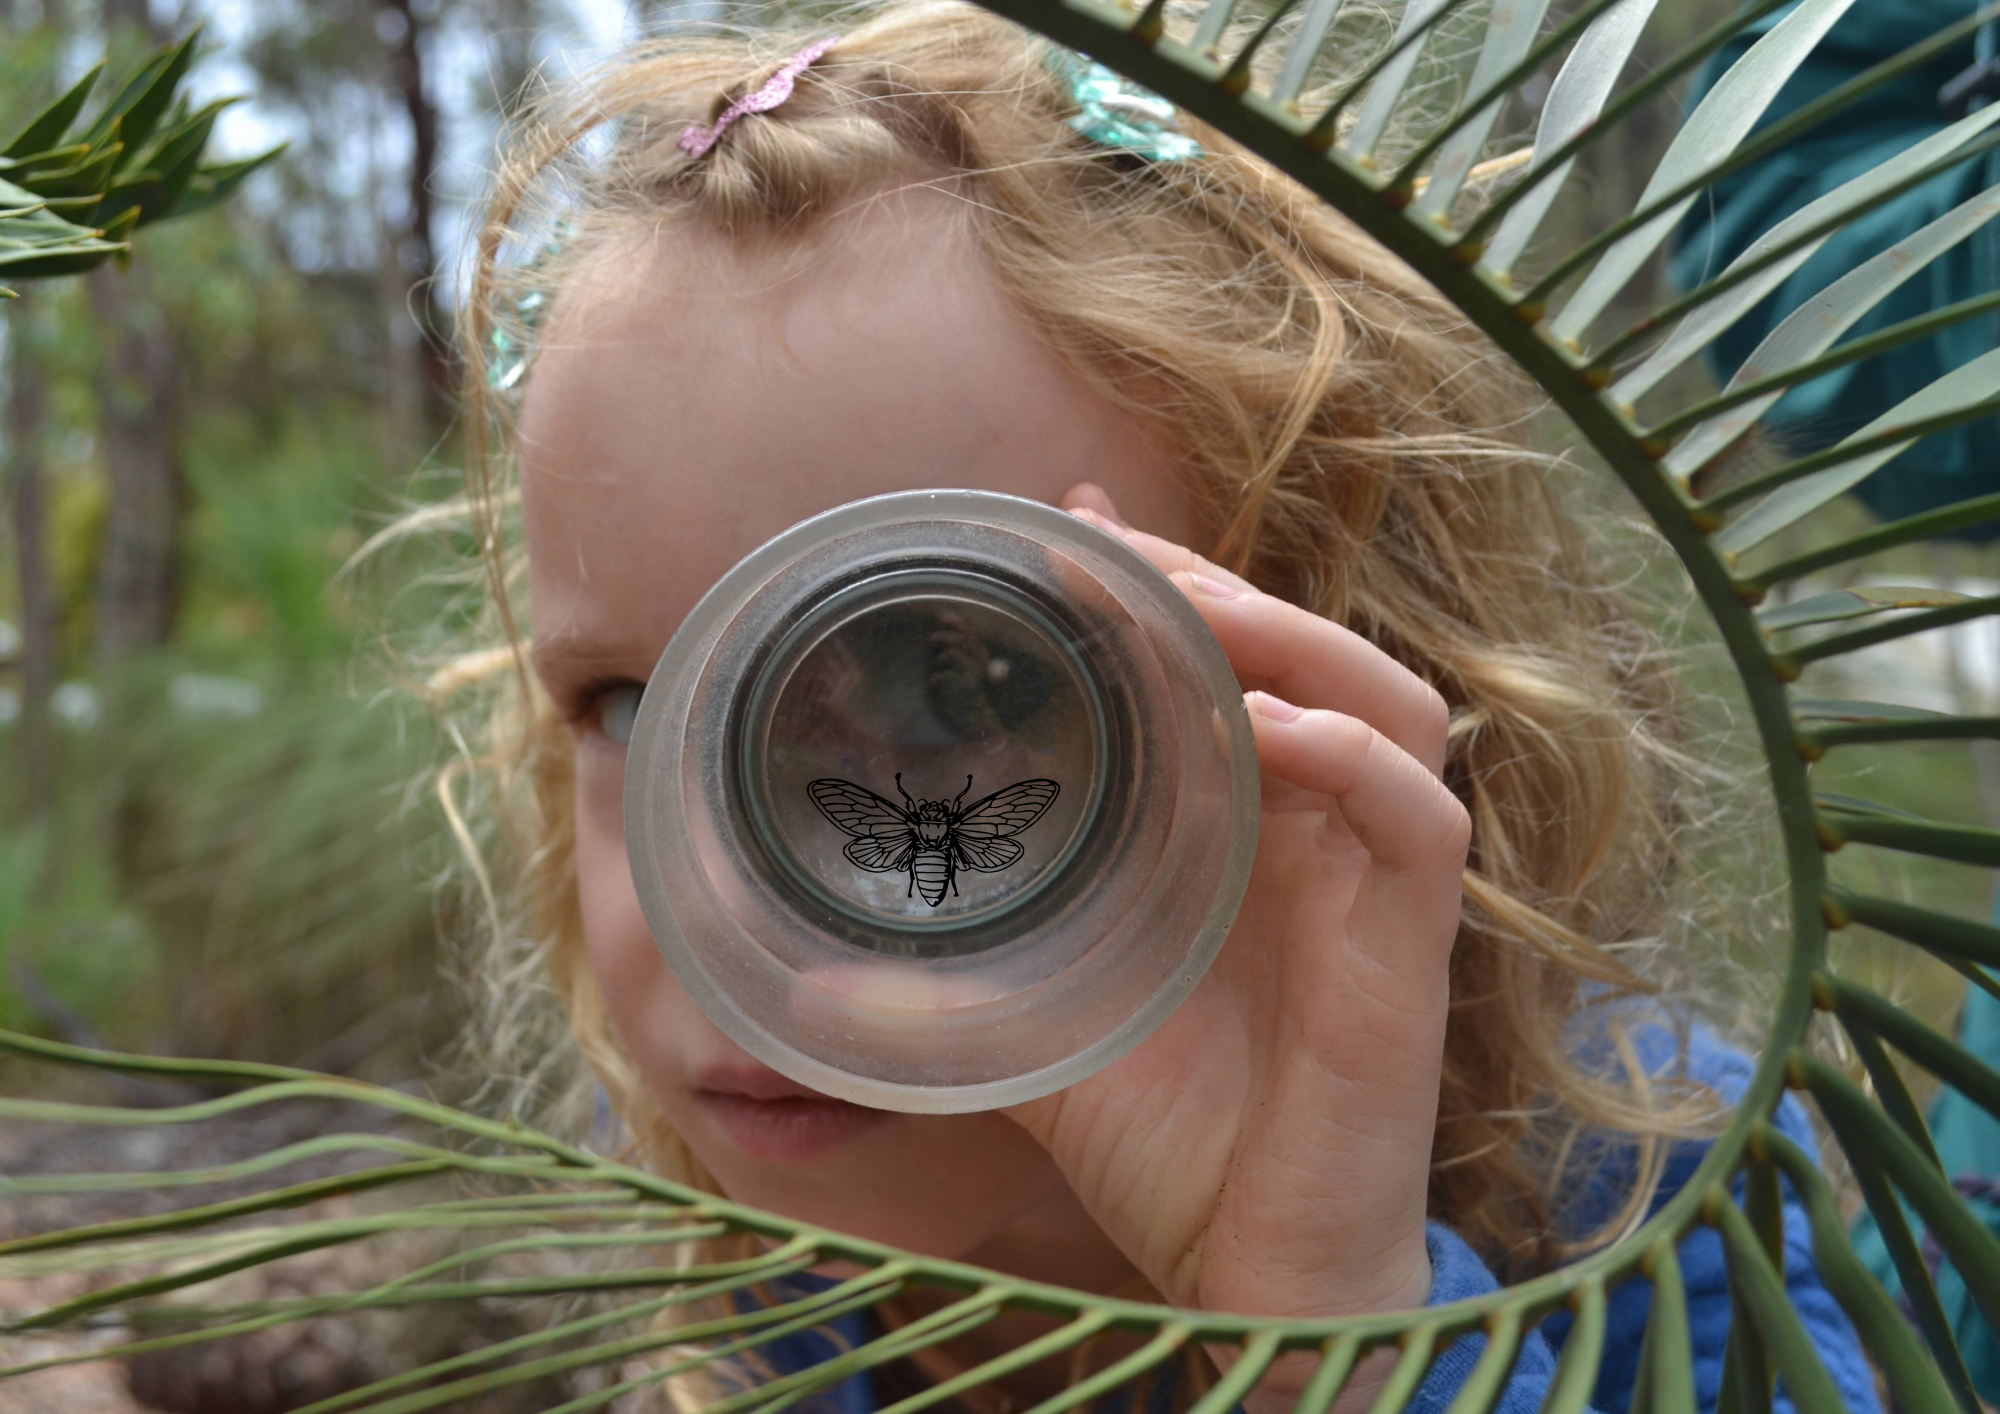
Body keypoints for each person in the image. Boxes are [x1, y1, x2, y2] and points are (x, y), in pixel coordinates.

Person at [426, 4, 1881, 1411]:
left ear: (1334, 692)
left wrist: (1340, 1344)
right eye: (625, 703)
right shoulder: (769, 1289)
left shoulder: (1644, 1223)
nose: (734, 898)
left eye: (963, 678)